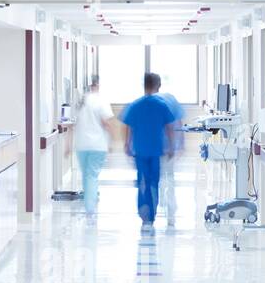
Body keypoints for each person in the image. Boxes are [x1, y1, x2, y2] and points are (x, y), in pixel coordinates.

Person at [120, 72, 177, 232]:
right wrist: (172, 146)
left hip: (140, 150)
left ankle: (144, 216)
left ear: (144, 85)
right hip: (155, 151)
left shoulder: (135, 105)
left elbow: (128, 126)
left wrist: (126, 144)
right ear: (158, 86)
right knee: (154, 183)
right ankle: (151, 216)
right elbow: (170, 128)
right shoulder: (161, 104)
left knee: (142, 182)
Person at [72, 76, 116, 221]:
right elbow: (106, 122)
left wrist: (67, 146)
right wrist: (112, 141)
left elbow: (74, 123)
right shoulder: (101, 101)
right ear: (98, 85)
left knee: (86, 175)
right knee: (92, 175)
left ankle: (89, 203)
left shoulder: (81, 102)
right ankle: (90, 208)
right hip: (98, 145)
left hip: (82, 145)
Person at [156, 89, 185, 227]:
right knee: (170, 176)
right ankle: (171, 213)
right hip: (169, 146)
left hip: (155, 146)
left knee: (157, 176)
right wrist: (180, 145)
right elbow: (179, 123)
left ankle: (160, 199)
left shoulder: (151, 101)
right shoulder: (171, 99)